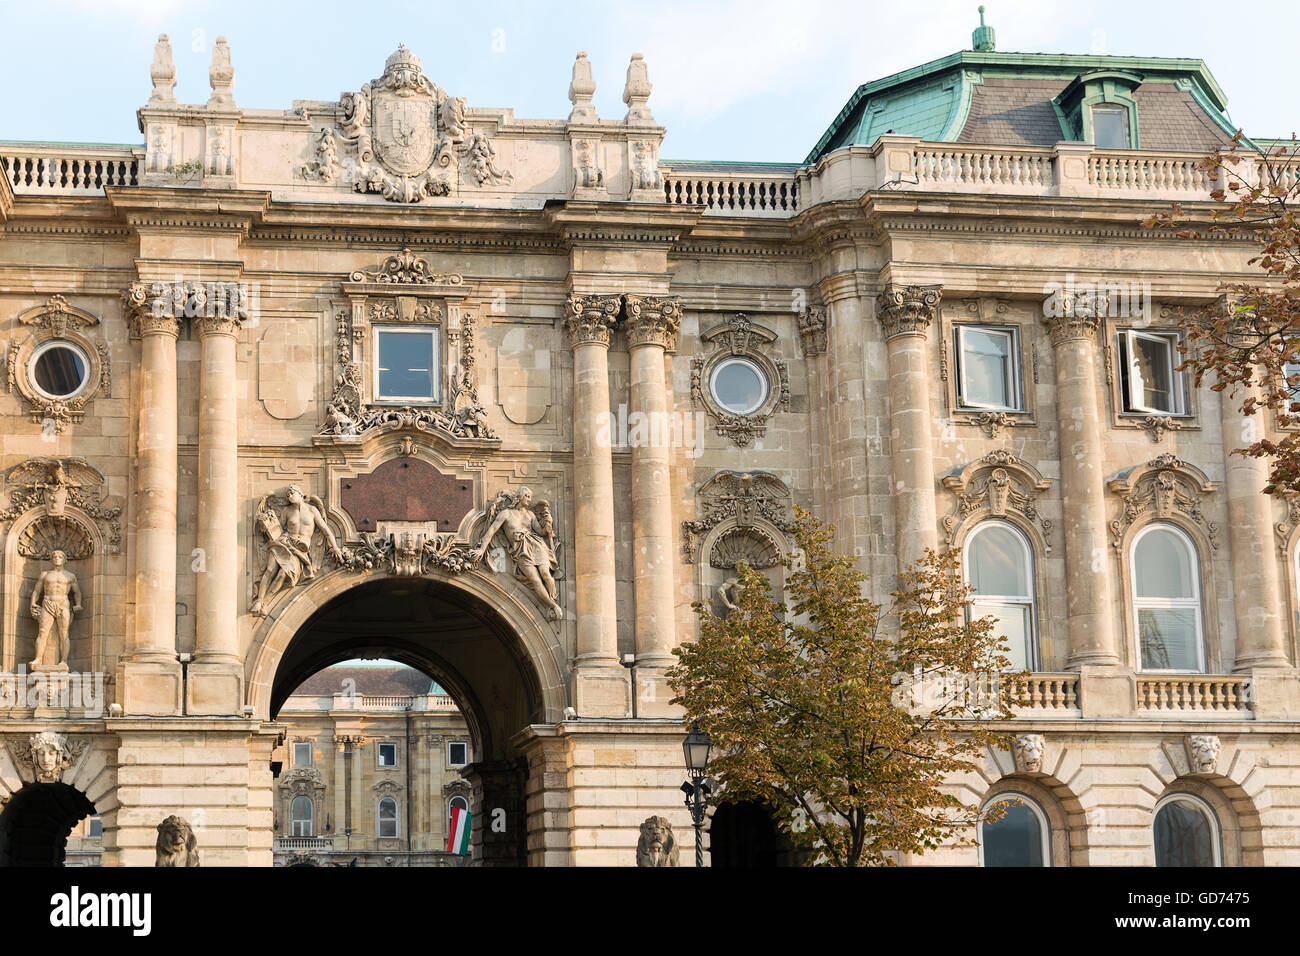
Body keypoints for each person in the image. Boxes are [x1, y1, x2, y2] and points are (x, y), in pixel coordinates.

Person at [473, 487, 562, 620]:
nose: (529, 499)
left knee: (546, 574)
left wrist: (548, 524)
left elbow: (541, 532)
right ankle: (552, 605)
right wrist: (481, 548)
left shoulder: (530, 515)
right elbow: (491, 530)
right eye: (527, 496)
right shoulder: (506, 514)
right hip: (520, 550)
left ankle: (552, 602)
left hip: (536, 545)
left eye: (530, 497)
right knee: (535, 579)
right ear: (519, 496)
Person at [30, 550, 81, 670]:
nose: (57, 558)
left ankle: (64, 661)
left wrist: (78, 604)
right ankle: (38, 658)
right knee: (42, 632)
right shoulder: (45, 574)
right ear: (51, 559)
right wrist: (32, 603)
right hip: (47, 602)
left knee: (64, 634)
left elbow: (77, 592)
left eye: (60, 556)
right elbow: (37, 591)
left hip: (63, 604)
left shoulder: (70, 576)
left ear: (64, 559)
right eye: (54, 556)